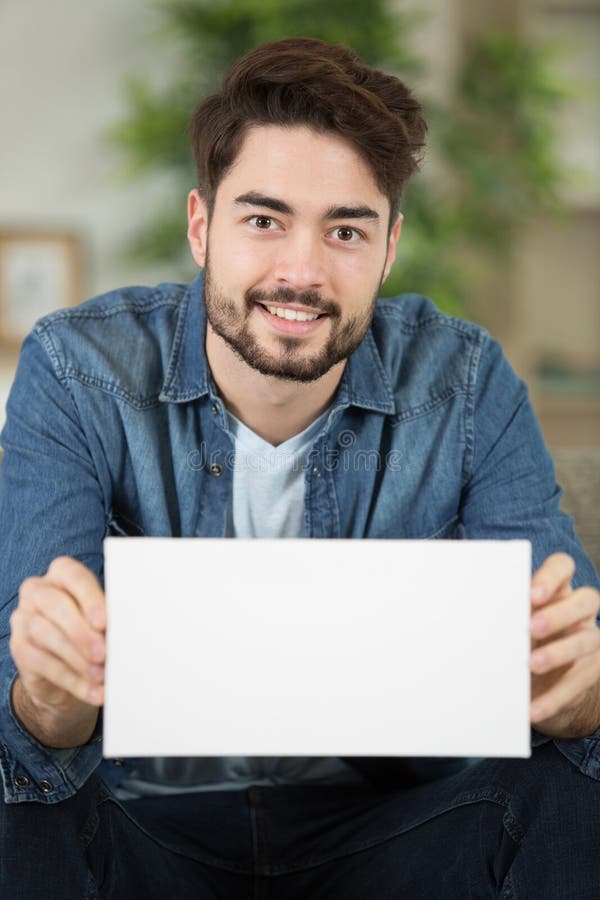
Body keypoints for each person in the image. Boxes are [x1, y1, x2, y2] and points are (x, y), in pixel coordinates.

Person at [1, 36, 599, 899]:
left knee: (575, 776)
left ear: (389, 249)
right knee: (19, 788)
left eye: (346, 230)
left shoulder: (466, 381)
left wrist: (573, 693)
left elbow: (571, 685)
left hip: (398, 829)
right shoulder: (76, 368)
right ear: (202, 225)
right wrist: (50, 706)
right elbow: (27, 720)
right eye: (264, 219)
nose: (302, 271)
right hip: (138, 826)